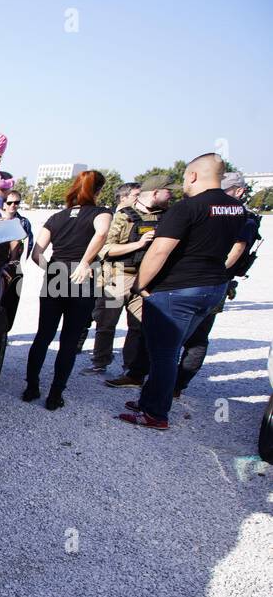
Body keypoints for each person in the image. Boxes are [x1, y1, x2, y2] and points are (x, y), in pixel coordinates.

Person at [118, 153, 249, 430]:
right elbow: (236, 247)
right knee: (172, 349)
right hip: (213, 288)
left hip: (178, 289)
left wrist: (141, 285)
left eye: (185, 178)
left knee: (164, 354)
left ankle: (155, 413)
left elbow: (160, 250)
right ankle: (150, 399)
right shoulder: (236, 208)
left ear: (192, 175)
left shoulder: (187, 208)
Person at [23, 170, 111, 410]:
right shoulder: (101, 213)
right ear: (99, 191)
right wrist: (84, 262)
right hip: (81, 276)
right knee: (69, 341)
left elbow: (36, 253)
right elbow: (102, 232)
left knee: (43, 335)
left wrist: (50, 269)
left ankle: (31, 387)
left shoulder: (57, 216)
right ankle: (55, 395)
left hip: (56, 273)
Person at [173, 171, 262, 398]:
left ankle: (177, 384)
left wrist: (212, 275)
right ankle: (165, 380)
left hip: (214, 282)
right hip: (199, 279)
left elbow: (237, 249)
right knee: (177, 332)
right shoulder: (219, 212)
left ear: (239, 191)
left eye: (224, 191)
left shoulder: (242, 216)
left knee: (196, 336)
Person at [91, 176, 174, 379]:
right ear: (155, 192)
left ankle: (130, 367)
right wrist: (138, 244)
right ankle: (100, 361)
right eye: (168, 191)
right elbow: (106, 249)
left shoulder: (167, 217)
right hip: (119, 276)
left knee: (138, 326)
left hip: (147, 278)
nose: (171, 195)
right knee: (106, 324)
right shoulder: (122, 217)